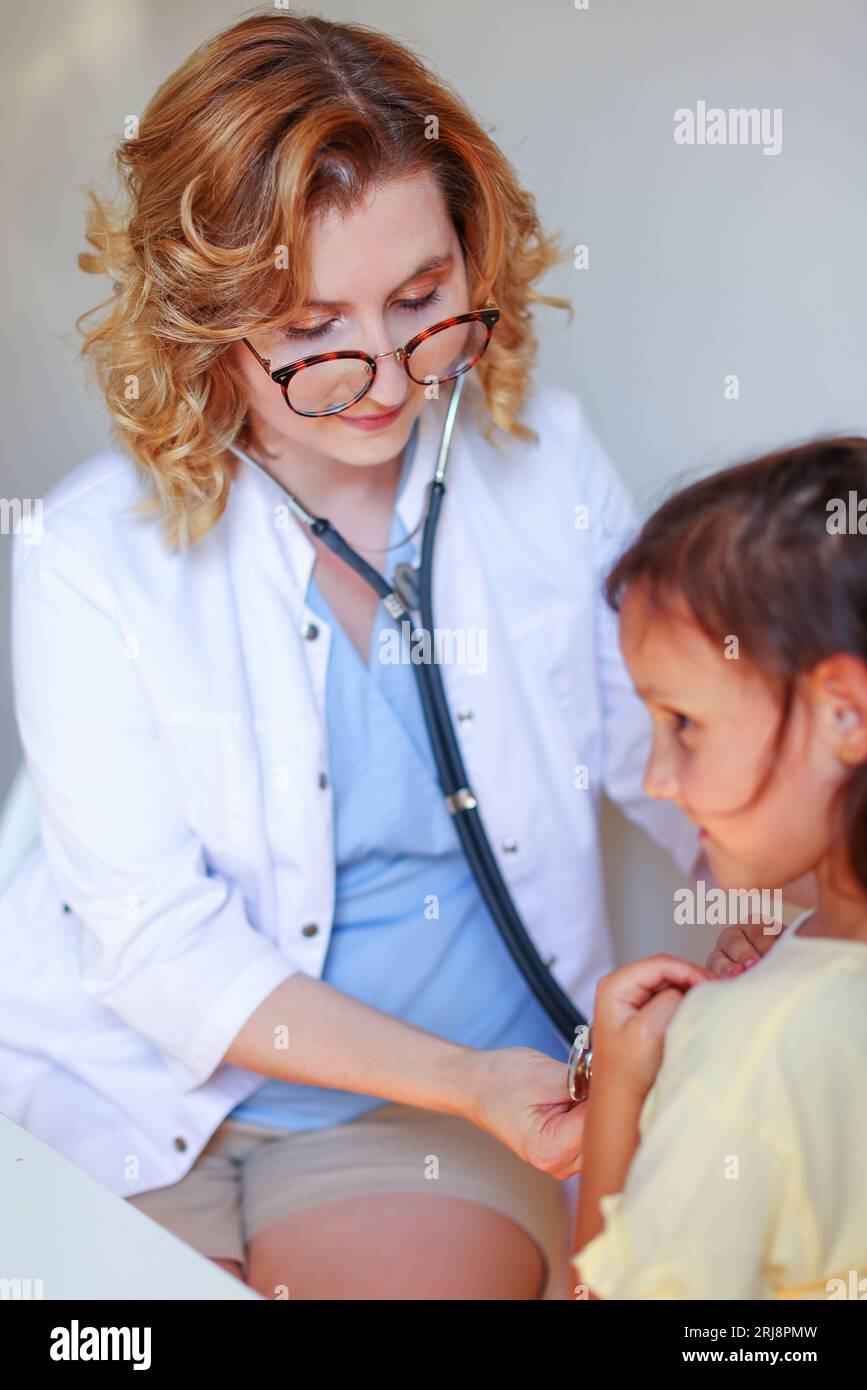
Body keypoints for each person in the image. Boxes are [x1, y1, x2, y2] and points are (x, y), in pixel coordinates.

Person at [1, 12, 798, 1301]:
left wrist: (756, 897)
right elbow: (155, 949)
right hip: (126, 1087)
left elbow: (663, 747)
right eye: (312, 328)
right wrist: (459, 1077)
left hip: (448, 1115)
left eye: (423, 300)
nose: (383, 376)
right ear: (205, 321)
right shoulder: (89, 556)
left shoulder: (539, 465)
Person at [572, 436, 867, 1299]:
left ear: (845, 714)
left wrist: (622, 1094)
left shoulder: (752, 1046)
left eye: (683, 723)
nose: (657, 779)